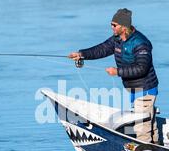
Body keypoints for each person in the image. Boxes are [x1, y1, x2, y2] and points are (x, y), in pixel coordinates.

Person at [68, 8, 159, 143]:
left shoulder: (140, 43)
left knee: (141, 127)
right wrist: (82, 54)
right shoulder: (117, 39)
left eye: (114, 25)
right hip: (135, 88)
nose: (112, 27)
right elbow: (102, 49)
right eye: (111, 24)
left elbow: (142, 68)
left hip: (145, 88)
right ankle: (156, 147)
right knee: (148, 122)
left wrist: (117, 72)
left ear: (123, 26)